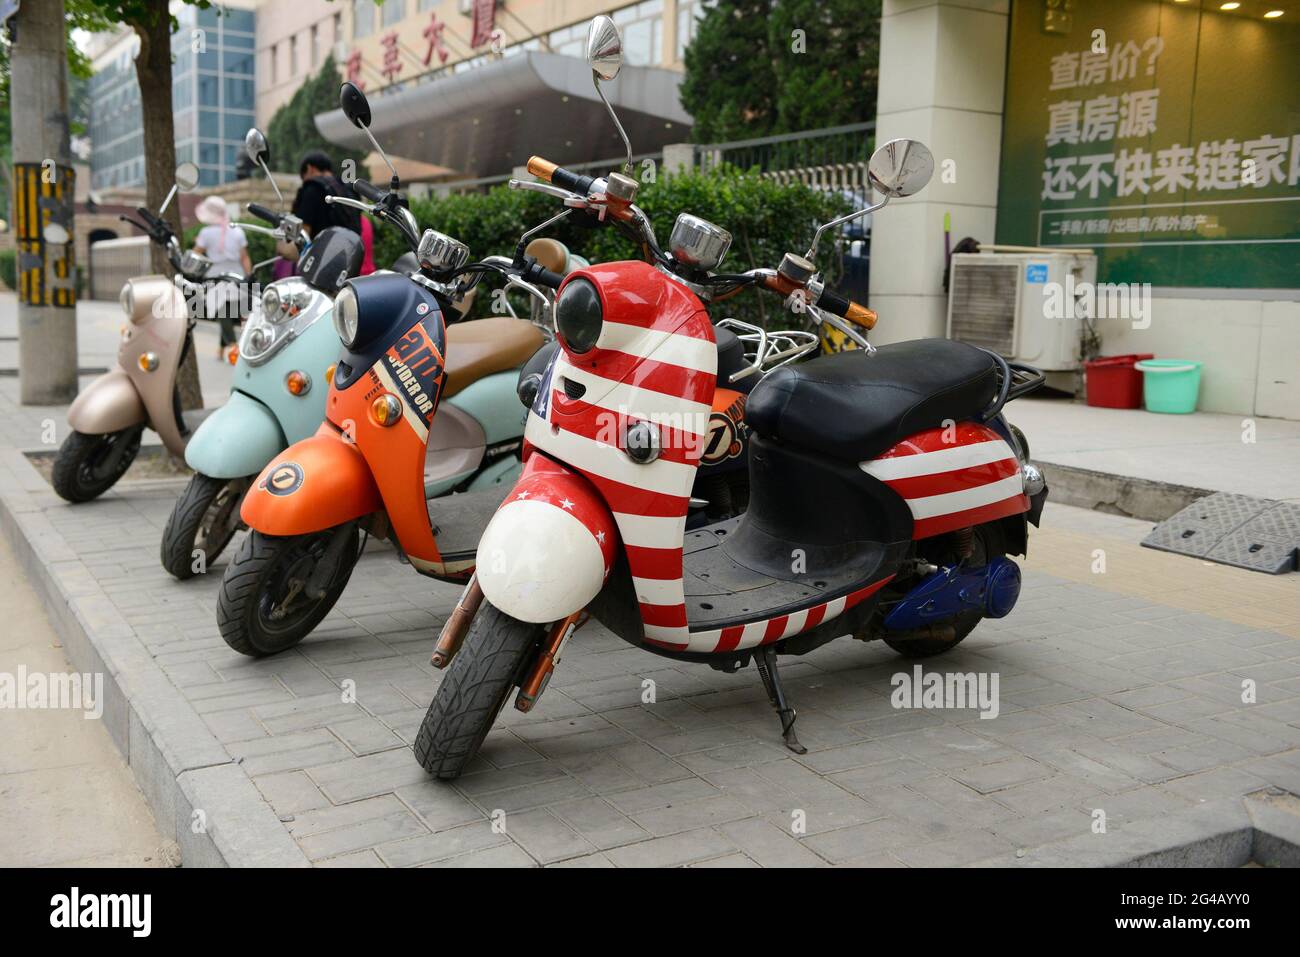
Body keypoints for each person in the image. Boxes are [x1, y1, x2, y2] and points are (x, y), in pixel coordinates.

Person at [291, 151, 375, 275]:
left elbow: (301, 238)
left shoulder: (312, 189)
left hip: (318, 271)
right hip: (350, 269)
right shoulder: (349, 189)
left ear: (309, 168)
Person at [193, 196, 252, 356]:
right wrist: (249, 275)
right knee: (227, 311)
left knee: (222, 311)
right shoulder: (237, 231)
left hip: (215, 276)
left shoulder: (205, 233)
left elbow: (196, 253)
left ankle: (233, 346)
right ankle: (221, 349)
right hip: (236, 275)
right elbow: (244, 256)